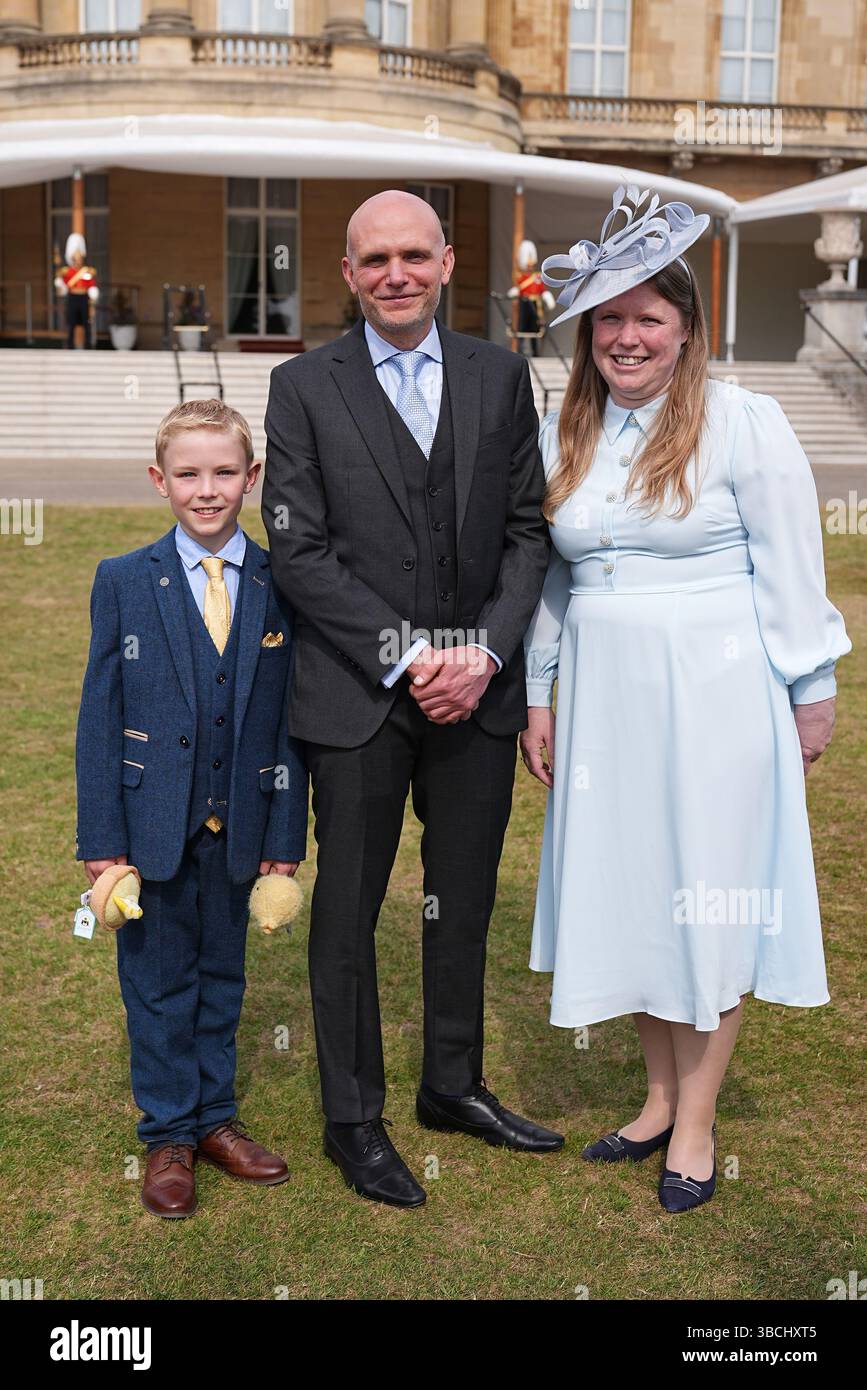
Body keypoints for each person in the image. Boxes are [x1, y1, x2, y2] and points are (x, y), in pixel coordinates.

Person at [520, 185, 851, 1213]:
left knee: (709, 896)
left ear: (685, 329)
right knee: (635, 891)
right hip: (607, 701)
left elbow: (794, 565)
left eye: (647, 319)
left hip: (716, 697)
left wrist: (812, 689)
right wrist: (539, 691)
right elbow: (553, 577)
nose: (626, 338)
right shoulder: (564, 425)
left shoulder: (744, 421)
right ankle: (658, 1097)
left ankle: (697, 1126)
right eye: (609, 319)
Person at [262, 189, 562, 1210]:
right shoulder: (302, 386)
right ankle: (354, 1117)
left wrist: (479, 651)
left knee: (460, 900)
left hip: (478, 692)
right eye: (374, 258)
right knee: (345, 913)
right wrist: (409, 654)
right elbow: (297, 549)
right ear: (348, 275)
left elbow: (528, 528)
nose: (396, 272)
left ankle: (451, 1083)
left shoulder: (499, 374)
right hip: (355, 695)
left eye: (414, 255)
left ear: (444, 263)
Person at [75, 398, 308, 1218]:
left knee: (223, 978)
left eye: (222, 473)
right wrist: (103, 843)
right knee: (156, 982)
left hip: (241, 825)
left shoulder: (284, 583)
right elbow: (99, 715)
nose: (205, 490)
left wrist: (284, 837)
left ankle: (216, 1120)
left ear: (250, 478)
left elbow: (287, 725)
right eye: (187, 474)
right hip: (150, 830)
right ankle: (167, 1132)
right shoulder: (125, 580)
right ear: (158, 481)